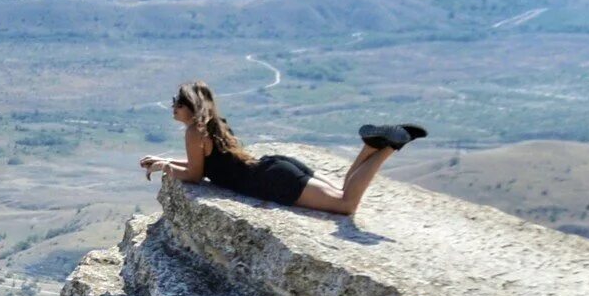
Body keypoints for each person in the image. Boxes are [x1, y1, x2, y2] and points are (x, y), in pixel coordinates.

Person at [139, 81, 424, 218]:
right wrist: (166, 160)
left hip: (271, 181)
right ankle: (371, 145)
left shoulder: (194, 132)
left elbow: (194, 175)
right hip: (276, 167)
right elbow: (202, 164)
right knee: (341, 191)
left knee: (345, 204)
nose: (173, 107)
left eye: (177, 102)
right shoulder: (214, 124)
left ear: (190, 107)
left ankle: (389, 147)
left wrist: (165, 167)